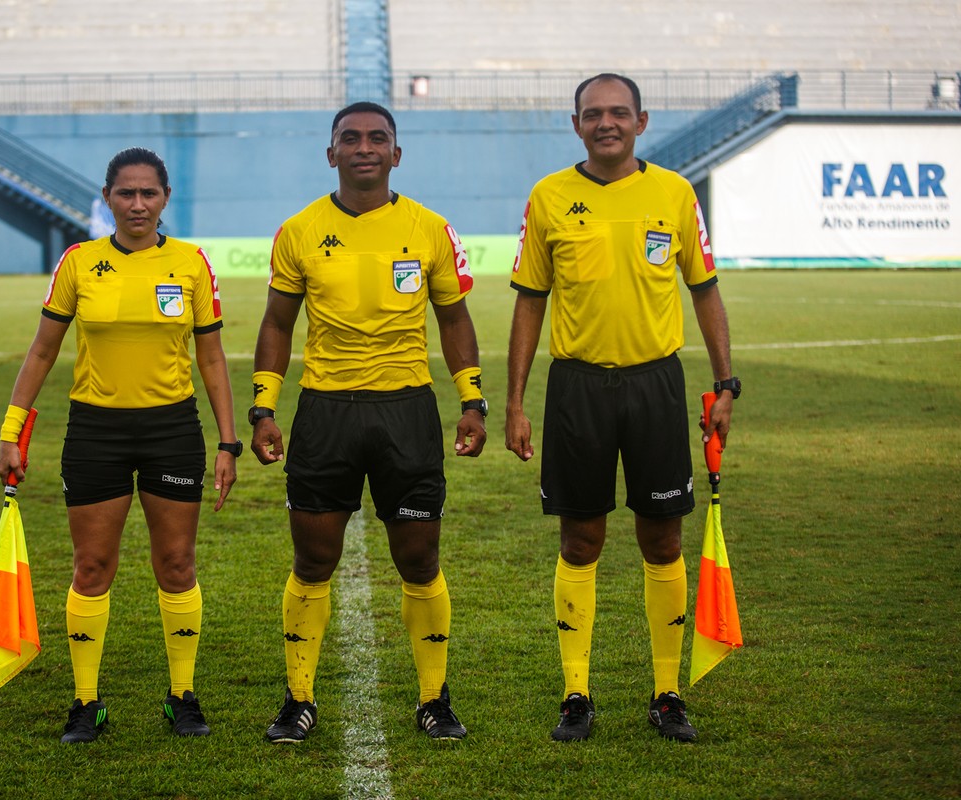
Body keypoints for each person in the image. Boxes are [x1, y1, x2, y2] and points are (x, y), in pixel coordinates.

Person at [505, 73, 738, 743]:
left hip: (655, 386)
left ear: (642, 120)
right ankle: (576, 692)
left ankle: (667, 694)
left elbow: (705, 288)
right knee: (581, 537)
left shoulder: (673, 193)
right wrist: (517, 402)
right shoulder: (550, 197)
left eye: (618, 113)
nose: (606, 123)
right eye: (592, 114)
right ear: (575, 124)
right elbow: (529, 300)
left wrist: (727, 383)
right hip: (577, 386)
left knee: (662, 536)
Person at [249, 101, 487, 743]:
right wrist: (263, 407)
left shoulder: (430, 228)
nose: (363, 148)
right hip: (325, 412)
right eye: (349, 139)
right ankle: (298, 698)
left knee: (419, 555)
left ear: (396, 154)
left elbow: (455, 320)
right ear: (331, 154)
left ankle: (434, 698)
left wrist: (472, 399)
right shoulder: (298, 230)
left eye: (377, 138)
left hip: (406, 410)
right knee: (314, 555)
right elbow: (277, 323)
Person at [0, 147, 241, 744]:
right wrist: (12, 430)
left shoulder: (190, 263)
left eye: (148, 193)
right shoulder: (79, 263)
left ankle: (182, 695)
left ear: (165, 200)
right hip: (96, 432)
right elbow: (43, 351)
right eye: (125, 193)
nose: (137, 204)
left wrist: (228, 441)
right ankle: (86, 702)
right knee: (92, 566)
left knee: (177, 565)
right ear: (107, 197)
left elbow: (211, 357)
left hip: (172, 431)